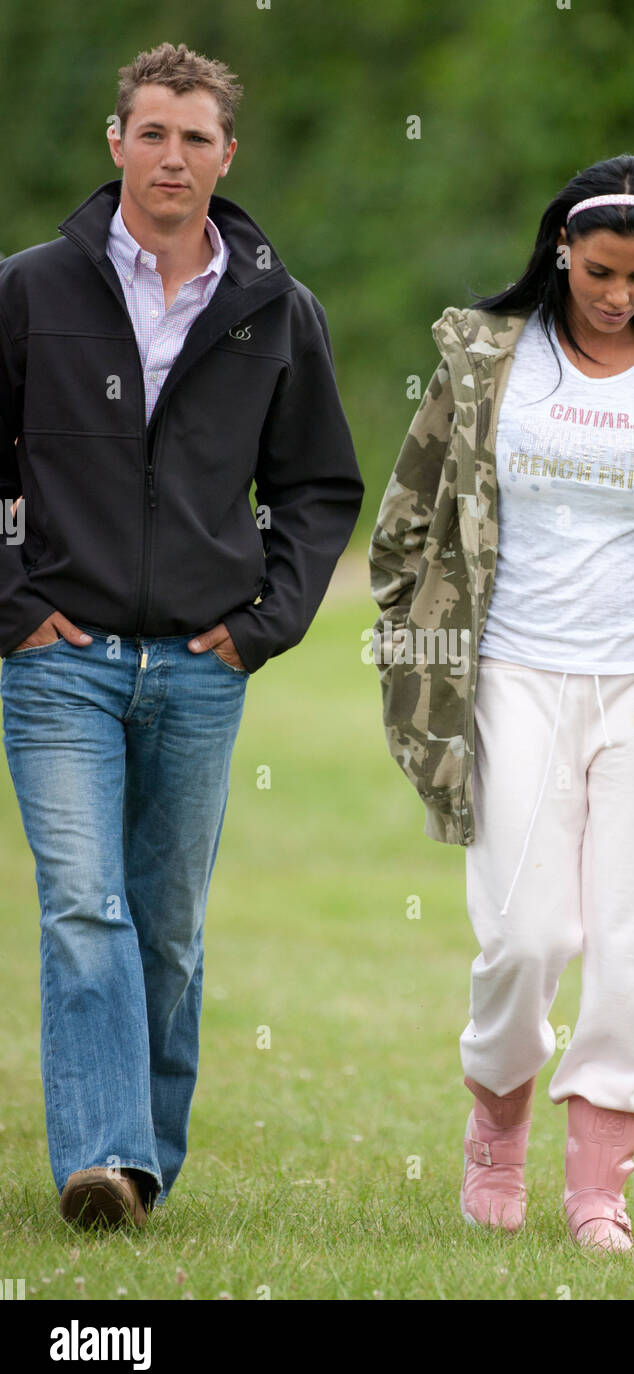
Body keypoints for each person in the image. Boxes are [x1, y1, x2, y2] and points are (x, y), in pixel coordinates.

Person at [368, 154, 634, 1252]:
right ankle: (495, 1133)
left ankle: (597, 1187)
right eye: (601, 270)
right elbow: (402, 529)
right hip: (511, 676)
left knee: (626, 942)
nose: (619, 294)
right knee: (526, 936)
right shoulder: (483, 360)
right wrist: (413, 648)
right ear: (559, 249)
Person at [0, 41, 363, 1228]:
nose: (171, 156)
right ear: (116, 143)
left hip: (202, 671)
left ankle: (141, 1162)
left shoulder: (277, 311)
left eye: (194, 137)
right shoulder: (32, 290)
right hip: (63, 661)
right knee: (82, 904)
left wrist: (263, 623)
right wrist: (12, 606)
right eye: (150, 132)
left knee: (166, 922)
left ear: (226, 156)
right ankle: (100, 1156)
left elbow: (317, 486)